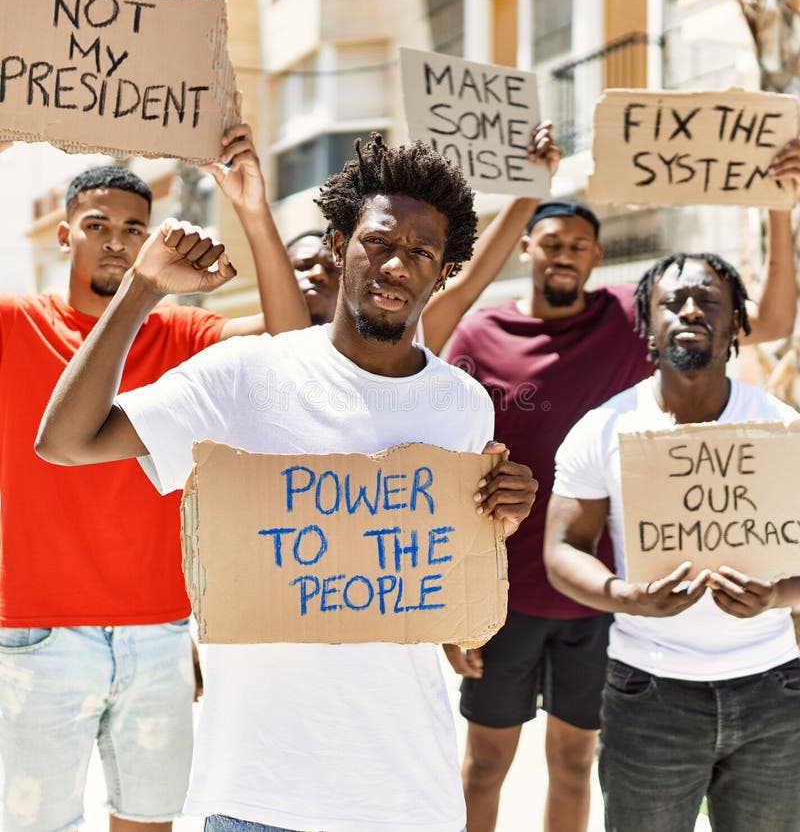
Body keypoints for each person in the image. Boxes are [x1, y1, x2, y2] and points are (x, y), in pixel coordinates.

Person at [36, 134, 538, 831]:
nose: (396, 264)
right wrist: (140, 289)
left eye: (422, 252)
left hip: (407, 796)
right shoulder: (245, 374)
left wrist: (503, 512)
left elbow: (440, 568)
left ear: (445, 273)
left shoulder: (464, 403)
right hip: (255, 795)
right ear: (339, 244)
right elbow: (65, 441)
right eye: (378, 242)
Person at [443, 141, 799, 832]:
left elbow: (770, 320)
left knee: (574, 764)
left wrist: (779, 208)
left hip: (601, 611)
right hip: (508, 594)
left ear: (597, 257)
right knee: (483, 766)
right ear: (525, 248)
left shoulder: (631, 324)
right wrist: (454, 602)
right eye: (551, 242)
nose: (564, 255)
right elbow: (453, 468)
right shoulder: (482, 335)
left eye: (579, 244)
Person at [0, 119, 308, 832]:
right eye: (97, 225)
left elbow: (293, 346)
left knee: (149, 823)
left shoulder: (181, 334)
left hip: (158, 632)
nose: (116, 240)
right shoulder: (17, 323)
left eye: (134, 228)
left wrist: (252, 208)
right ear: (64, 235)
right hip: (38, 632)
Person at [545, 251, 800, 832]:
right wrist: (626, 597)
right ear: (647, 323)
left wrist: (778, 595)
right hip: (648, 692)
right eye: (673, 302)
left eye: (709, 300)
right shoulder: (604, 429)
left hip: (773, 689)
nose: (690, 311)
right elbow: (563, 551)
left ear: (736, 324)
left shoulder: (783, 430)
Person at [281, 124, 562, 355]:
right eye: (377, 242)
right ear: (341, 250)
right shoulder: (263, 355)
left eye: (420, 252)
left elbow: (469, 282)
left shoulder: (422, 354)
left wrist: (531, 188)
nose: (317, 275)